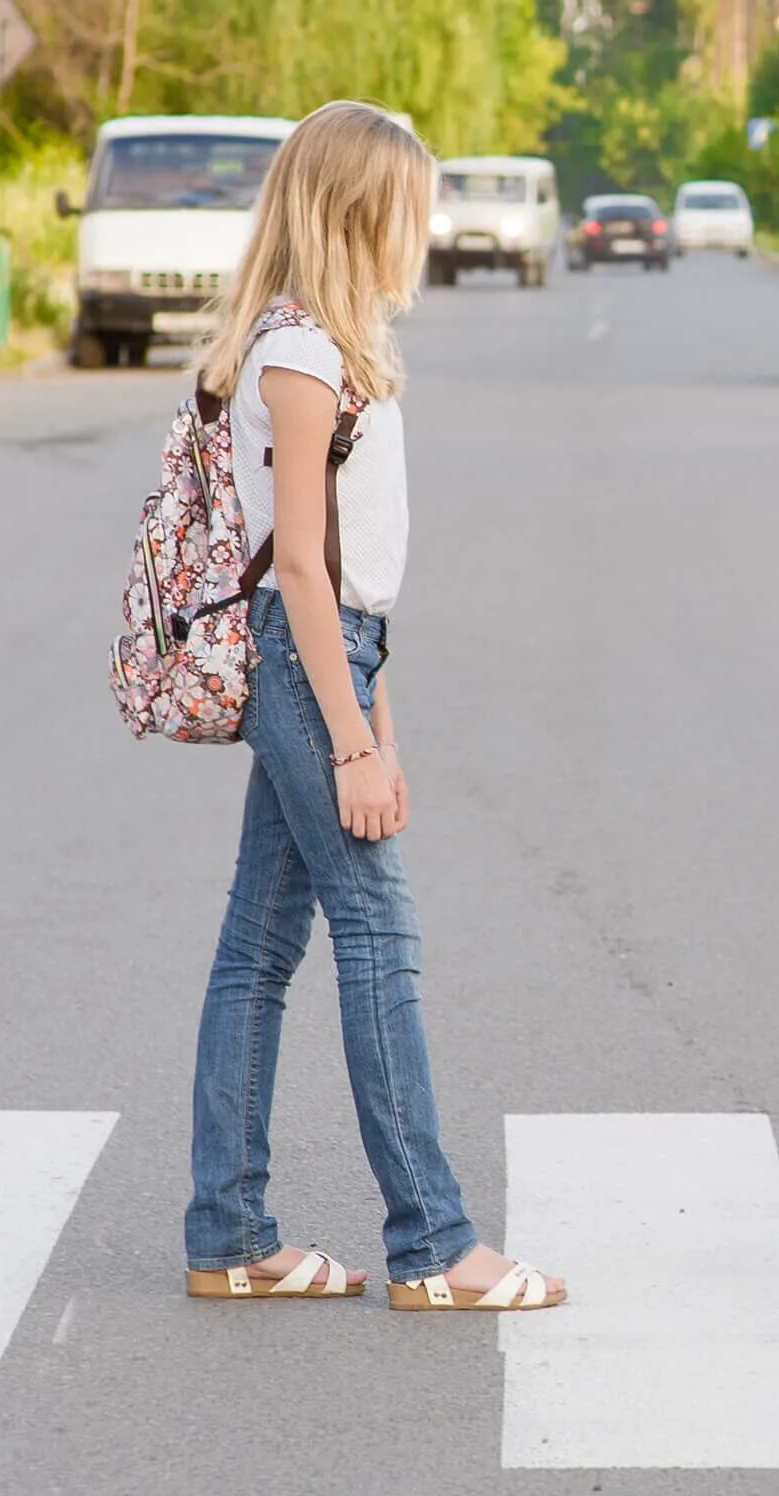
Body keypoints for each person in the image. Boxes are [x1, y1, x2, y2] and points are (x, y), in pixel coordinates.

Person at [181, 100, 563, 1314]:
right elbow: (299, 566)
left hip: (334, 655)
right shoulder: (300, 356)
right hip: (306, 662)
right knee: (378, 937)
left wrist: (377, 715)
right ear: (361, 211)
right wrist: (351, 739)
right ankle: (433, 1244)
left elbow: (348, 574)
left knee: (259, 945)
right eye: (412, 204)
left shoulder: (327, 345)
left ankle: (232, 1233)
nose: (426, 225)